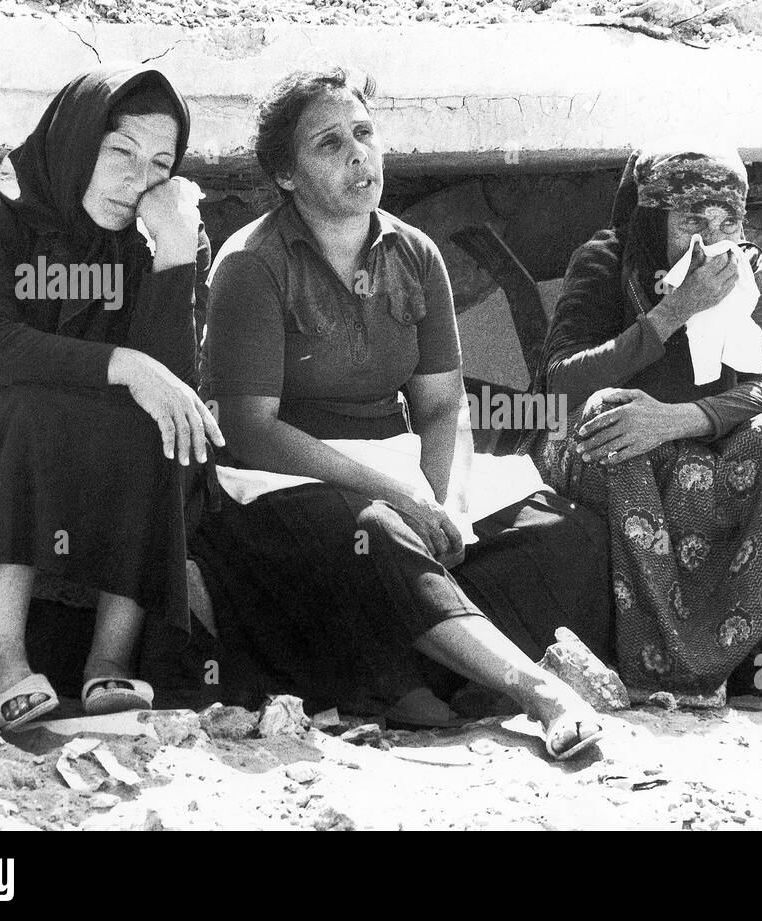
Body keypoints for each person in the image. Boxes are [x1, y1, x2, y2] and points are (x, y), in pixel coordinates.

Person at [192, 66, 611, 760]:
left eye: (365, 133)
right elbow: (252, 429)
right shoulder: (252, 265)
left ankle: (401, 674)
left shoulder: (414, 254)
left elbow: (442, 402)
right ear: (288, 176)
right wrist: (398, 501)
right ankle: (538, 691)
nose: (360, 155)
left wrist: (436, 498)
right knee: (374, 532)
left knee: (565, 532)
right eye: (329, 144)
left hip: (397, 467)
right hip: (279, 481)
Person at [524, 142, 762, 711]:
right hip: (602, 441)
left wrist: (680, 419)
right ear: (654, 220)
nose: (713, 239)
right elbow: (558, 387)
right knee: (612, 414)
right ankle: (660, 670)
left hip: (692, 436)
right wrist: (674, 311)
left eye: (728, 221)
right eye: (691, 222)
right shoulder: (606, 260)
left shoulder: (746, 268)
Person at [0, 66, 223, 730]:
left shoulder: (171, 231)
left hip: (112, 481)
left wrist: (174, 256)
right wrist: (123, 364)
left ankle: (109, 658)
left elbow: (176, 385)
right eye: (119, 150)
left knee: (164, 416)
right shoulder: (2, 213)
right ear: (76, 139)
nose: (136, 179)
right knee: (24, 403)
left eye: (160, 163)